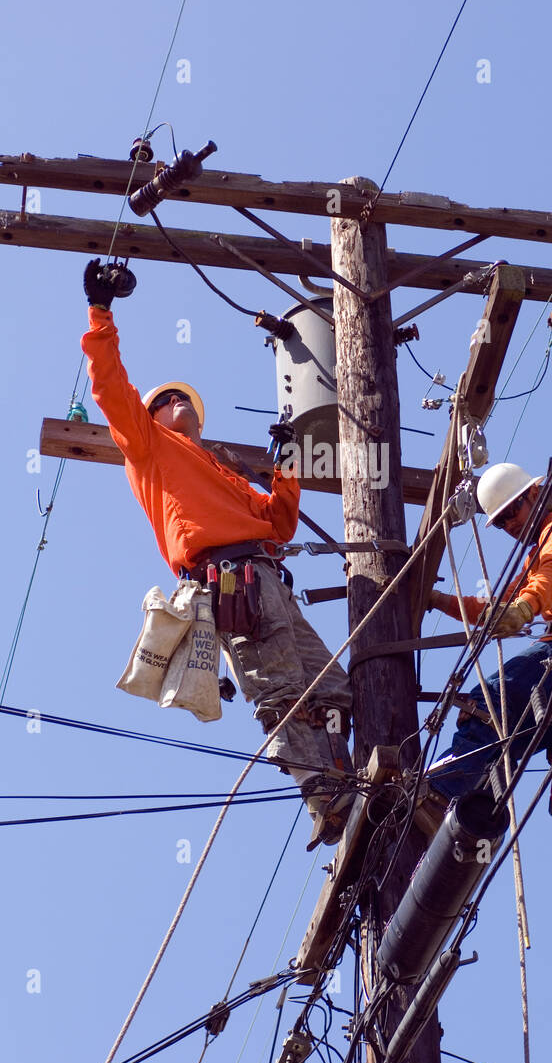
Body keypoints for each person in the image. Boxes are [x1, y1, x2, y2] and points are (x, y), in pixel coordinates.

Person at [79, 260, 354, 849]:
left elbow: (277, 524)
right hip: (229, 582)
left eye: (185, 398)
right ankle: (323, 795)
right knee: (278, 687)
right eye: (170, 398)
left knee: (331, 688)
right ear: (152, 416)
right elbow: (109, 387)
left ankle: (349, 779)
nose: (181, 402)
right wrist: (101, 312)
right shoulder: (148, 448)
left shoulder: (225, 474)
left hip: (266, 577)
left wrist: (283, 468)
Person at [425, 462, 552, 807]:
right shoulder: (536, 557)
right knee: (502, 746)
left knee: (487, 704)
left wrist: (526, 608)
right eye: (501, 522)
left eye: (512, 512)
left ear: (535, 494)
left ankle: (436, 799)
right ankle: (466, 828)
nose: (510, 525)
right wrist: (437, 600)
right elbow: (499, 604)